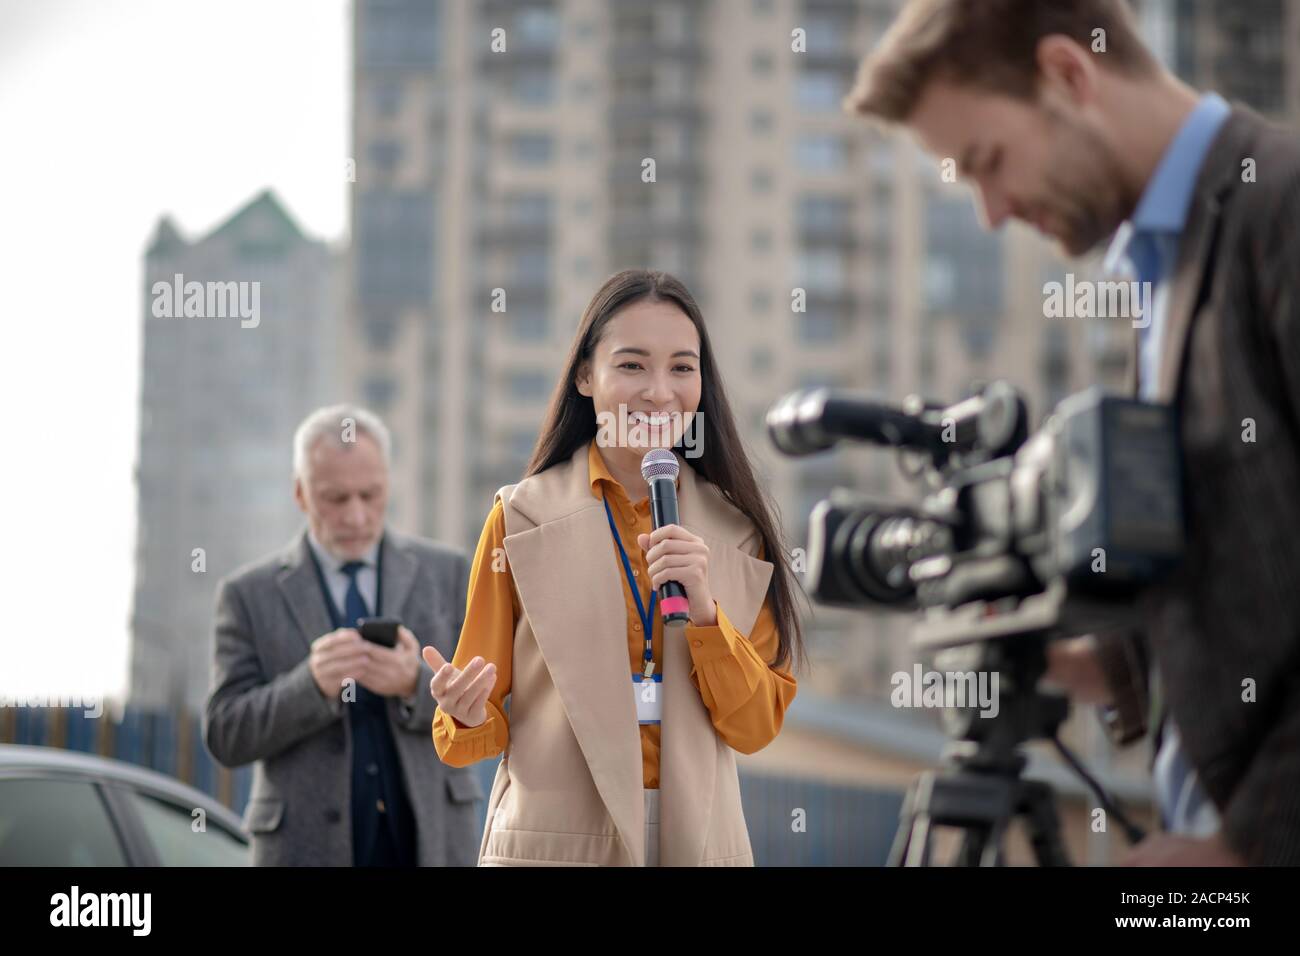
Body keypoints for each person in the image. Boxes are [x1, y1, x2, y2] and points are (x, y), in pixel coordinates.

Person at [846, 0, 1300, 865]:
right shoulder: (1165, 262)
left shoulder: (1279, 205)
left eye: (986, 162)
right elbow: (1259, 556)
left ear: (1068, 74)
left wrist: (1245, 848)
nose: (989, 211)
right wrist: (1104, 664)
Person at [425, 269, 806, 866]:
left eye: (683, 367)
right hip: (555, 847)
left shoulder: (740, 532)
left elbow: (755, 727)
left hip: (701, 846)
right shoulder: (520, 519)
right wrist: (464, 712)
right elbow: (476, 732)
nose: (660, 391)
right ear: (585, 376)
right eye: (632, 365)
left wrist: (706, 615)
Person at [204, 404, 483, 866]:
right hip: (303, 848)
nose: (356, 516)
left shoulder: (451, 574)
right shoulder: (246, 595)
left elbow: (496, 710)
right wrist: (310, 685)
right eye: (335, 498)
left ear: (388, 486)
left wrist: (414, 685)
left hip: (430, 843)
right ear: (300, 493)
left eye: (369, 495)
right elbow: (224, 734)